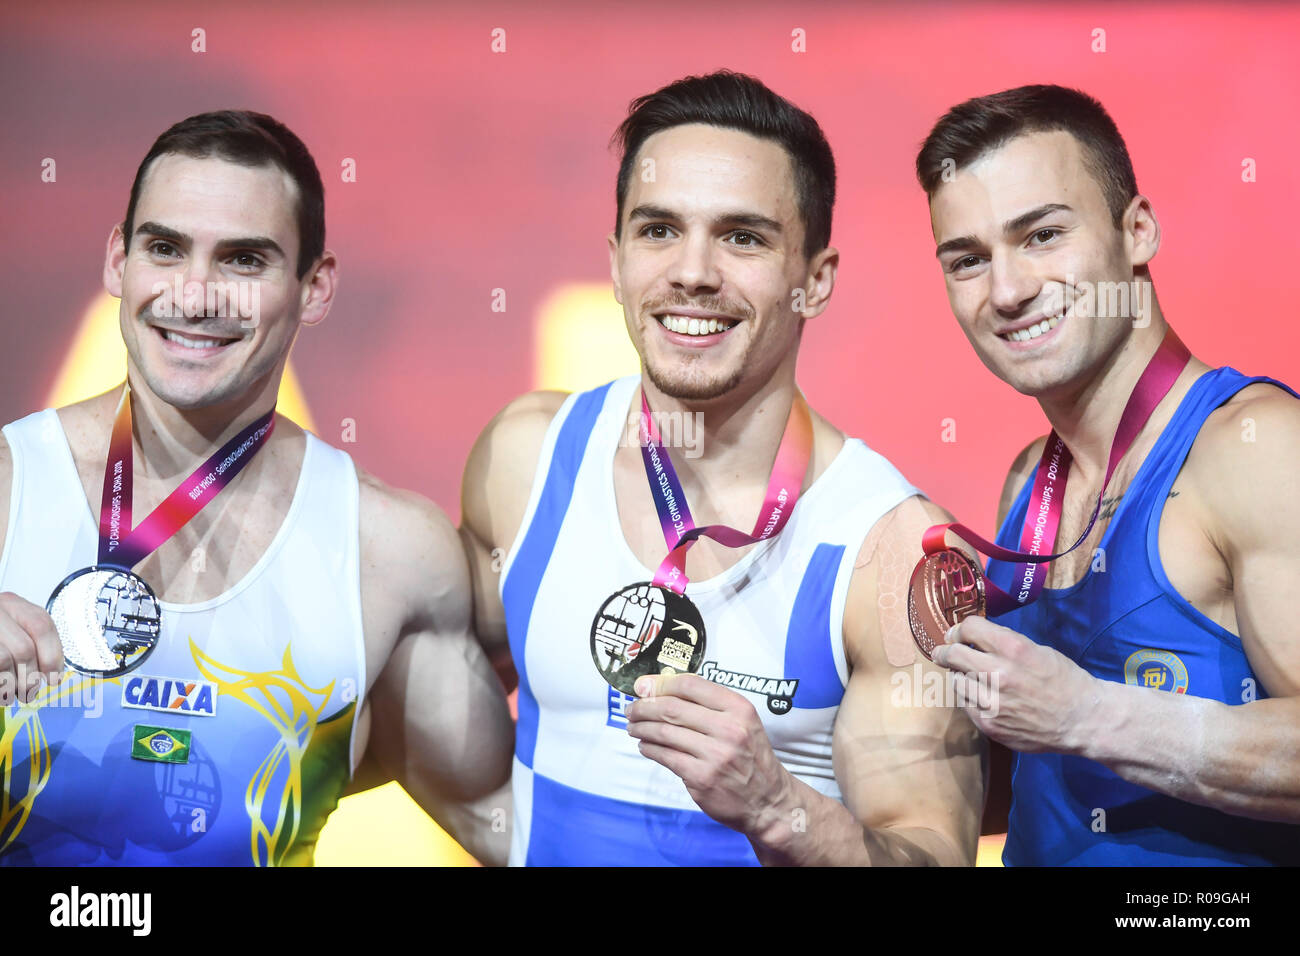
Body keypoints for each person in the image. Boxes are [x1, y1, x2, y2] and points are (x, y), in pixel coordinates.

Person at [461, 70, 985, 866]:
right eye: (658, 230)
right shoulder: (525, 458)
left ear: (815, 281)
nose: (693, 272)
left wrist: (779, 807)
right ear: (616, 263)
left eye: (743, 237)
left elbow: (934, 853)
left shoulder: (894, 553)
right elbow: (428, 703)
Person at [0, 110, 513, 866]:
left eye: (243, 260)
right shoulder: (9, 485)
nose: (196, 295)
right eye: (165, 248)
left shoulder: (391, 553)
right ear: (117, 260)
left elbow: (506, 826)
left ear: (316, 287)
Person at [916, 84, 1300, 865]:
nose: (1008, 291)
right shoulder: (1031, 479)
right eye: (969, 260)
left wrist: (1089, 716)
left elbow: (1076, 720)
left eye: (1043, 235)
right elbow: (1035, 776)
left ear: (1138, 231)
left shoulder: (1254, 448)